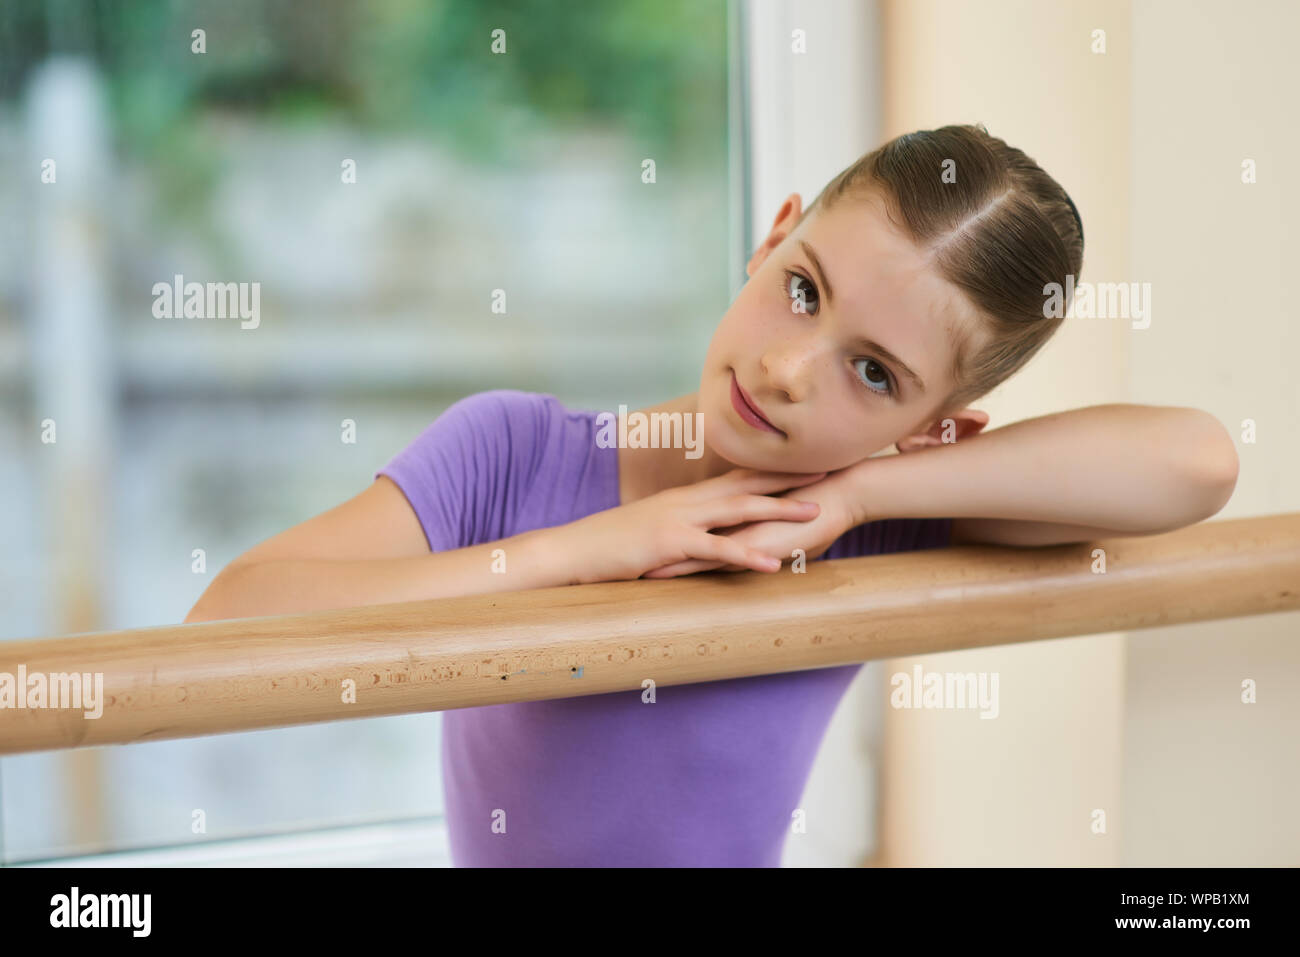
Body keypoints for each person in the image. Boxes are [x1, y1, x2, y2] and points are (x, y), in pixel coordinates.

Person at [185, 123, 1238, 865]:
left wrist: (875, 491)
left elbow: (1195, 464)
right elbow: (227, 623)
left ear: (928, 428)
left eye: (873, 372)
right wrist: (590, 548)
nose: (788, 371)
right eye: (803, 289)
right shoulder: (509, 451)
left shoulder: (856, 520)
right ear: (772, 232)